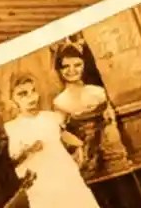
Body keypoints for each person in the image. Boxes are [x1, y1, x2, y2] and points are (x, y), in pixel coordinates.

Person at [2, 74, 102, 208]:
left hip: (65, 176)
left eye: (33, 91)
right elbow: (12, 160)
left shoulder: (50, 117)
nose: (31, 97)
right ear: (13, 100)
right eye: (23, 94)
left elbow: (63, 135)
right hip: (42, 185)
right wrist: (28, 151)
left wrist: (80, 147)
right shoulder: (12, 128)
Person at [51, 43, 126, 178]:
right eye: (66, 66)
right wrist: (79, 147)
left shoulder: (98, 92)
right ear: (59, 69)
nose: (72, 70)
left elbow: (111, 123)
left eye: (77, 65)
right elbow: (60, 134)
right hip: (84, 161)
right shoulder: (59, 102)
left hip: (111, 152)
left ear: (84, 65)